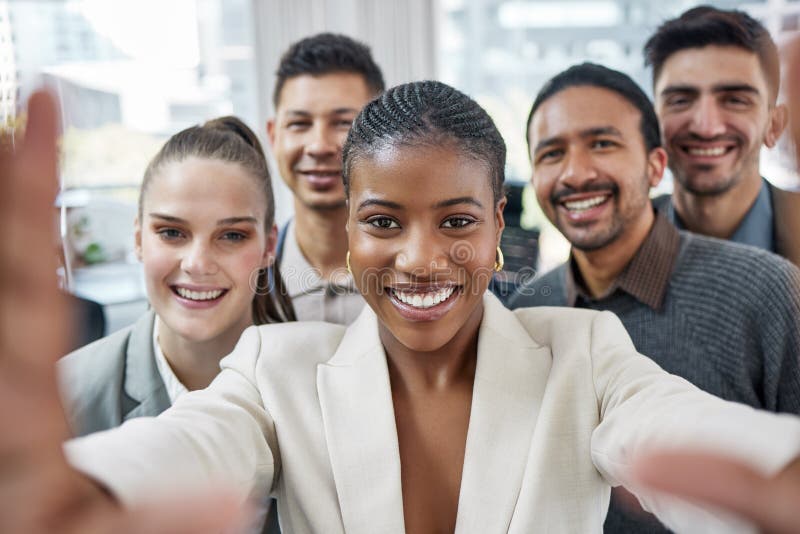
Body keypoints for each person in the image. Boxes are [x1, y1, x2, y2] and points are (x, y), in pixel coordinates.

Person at [4, 85, 800, 534]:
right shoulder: (276, 367)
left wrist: (781, 467)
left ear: (498, 229)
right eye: (384, 222)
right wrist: (92, 487)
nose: (419, 259)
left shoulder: (585, 350)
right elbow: (189, 444)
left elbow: (668, 423)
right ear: (347, 230)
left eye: (457, 220)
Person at [508, 62, 800, 533]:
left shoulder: (764, 289)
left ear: (655, 164)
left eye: (602, 144)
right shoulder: (526, 312)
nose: (576, 173)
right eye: (551, 153)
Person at [58, 117, 296, 439]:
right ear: (139, 240)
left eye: (232, 236)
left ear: (268, 246)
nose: (197, 264)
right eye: (172, 232)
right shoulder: (64, 397)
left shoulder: (315, 384)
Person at [645, 6, 800, 266]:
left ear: (774, 125)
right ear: (652, 122)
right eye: (681, 100)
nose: (706, 127)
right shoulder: (618, 246)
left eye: (735, 100)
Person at [267, 33, 384, 324]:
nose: (319, 145)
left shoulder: (426, 284)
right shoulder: (240, 288)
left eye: (344, 123)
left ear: (383, 134)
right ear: (273, 135)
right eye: (299, 124)